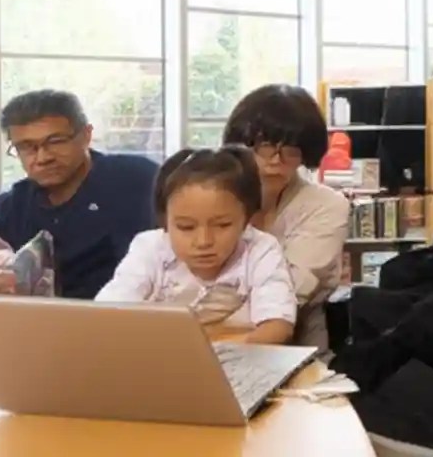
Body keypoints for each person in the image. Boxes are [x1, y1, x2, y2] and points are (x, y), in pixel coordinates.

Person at [0, 89, 157, 299]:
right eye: (27, 147)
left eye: (55, 142)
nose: (43, 157)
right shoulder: (13, 206)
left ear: (86, 135)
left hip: (128, 321)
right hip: (36, 326)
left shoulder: (135, 180)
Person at [96, 146, 297, 345]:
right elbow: (107, 314)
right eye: (186, 227)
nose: (204, 241)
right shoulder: (149, 248)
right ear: (164, 222)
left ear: (247, 220)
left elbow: (277, 326)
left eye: (222, 225)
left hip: (241, 359)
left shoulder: (261, 249)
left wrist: (209, 349)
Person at [222, 84, 350, 352]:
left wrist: (206, 328)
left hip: (295, 352)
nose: (277, 160)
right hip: (209, 343)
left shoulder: (325, 205)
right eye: (265, 145)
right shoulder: (214, 196)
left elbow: (287, 297)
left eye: (292, 149)